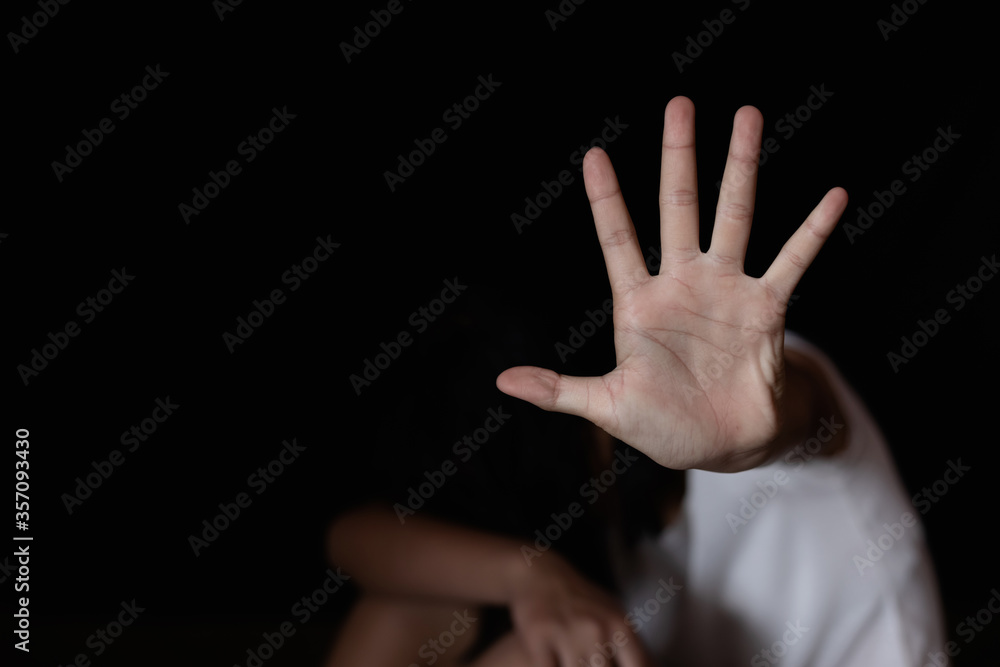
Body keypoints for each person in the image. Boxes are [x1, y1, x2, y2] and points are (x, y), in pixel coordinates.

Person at [325, 97, 945, 666]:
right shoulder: (586, 512)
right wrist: (529, 575)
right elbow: (352, 538)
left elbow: (807, 418)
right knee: (412, 609)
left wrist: (751, 440)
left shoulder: (759, 376)